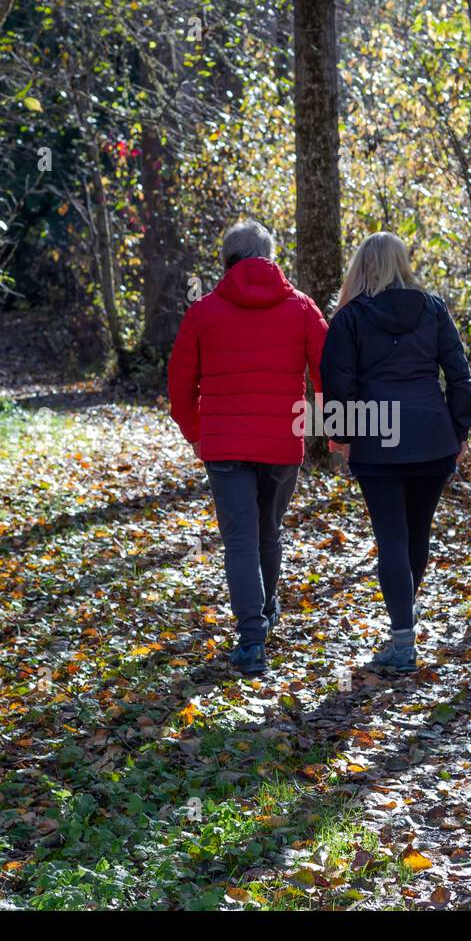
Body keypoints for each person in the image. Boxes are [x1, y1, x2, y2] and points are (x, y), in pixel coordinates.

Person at [168, 220, 328, 675]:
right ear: (271, 257)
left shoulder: (203, 312)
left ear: (226, 261)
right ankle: (267, 608)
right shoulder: (301, 309)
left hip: (224, 447)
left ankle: (252, 639)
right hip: (281, 443)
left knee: (240, 539)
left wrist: (196, 431)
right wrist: (335, 429)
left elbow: (180, 383)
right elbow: (328, 373)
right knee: (268, 531)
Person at [320, 232, 471, 673]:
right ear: (402, 264)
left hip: (377, 438)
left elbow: (338, 383)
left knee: (391, 535)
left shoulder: (349, 319)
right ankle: (404, 624)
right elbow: (458, 375)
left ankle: (403, 637)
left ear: (362, 267)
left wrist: (342, 435)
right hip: (431, 437)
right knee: (416, 532)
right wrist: (460, 427)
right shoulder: (434, 309)